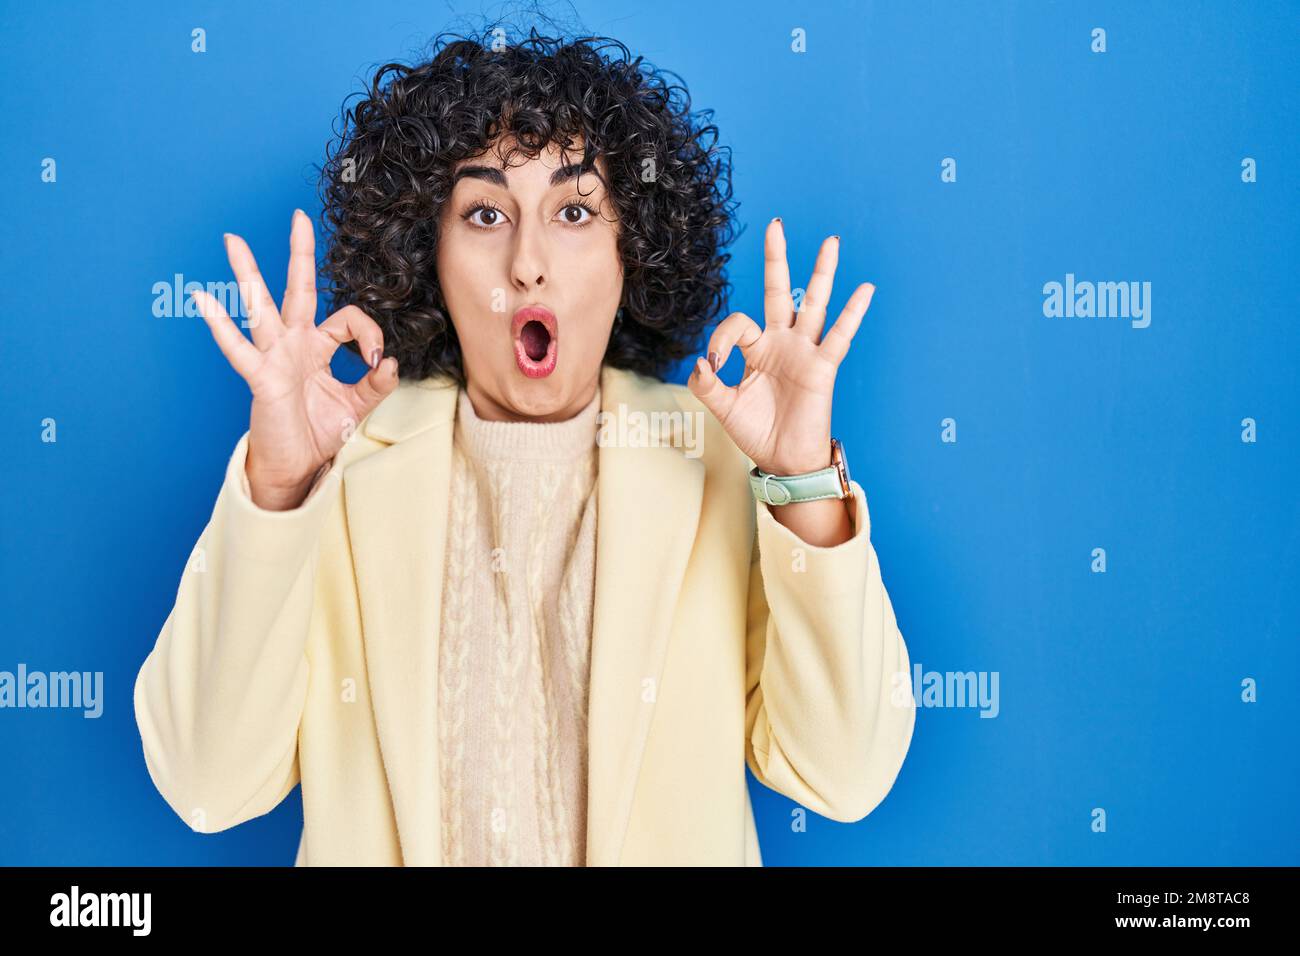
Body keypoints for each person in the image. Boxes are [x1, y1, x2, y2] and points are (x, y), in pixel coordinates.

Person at [132, 27, 916, 866]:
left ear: (632, 252)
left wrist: (801, 483)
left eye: (574, 212)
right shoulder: (338, 472)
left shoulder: (720, 467)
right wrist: (279, 486)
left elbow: (846, 775)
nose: (527, 263)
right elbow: (206, 784)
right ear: (428, 254)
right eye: (484, 214)